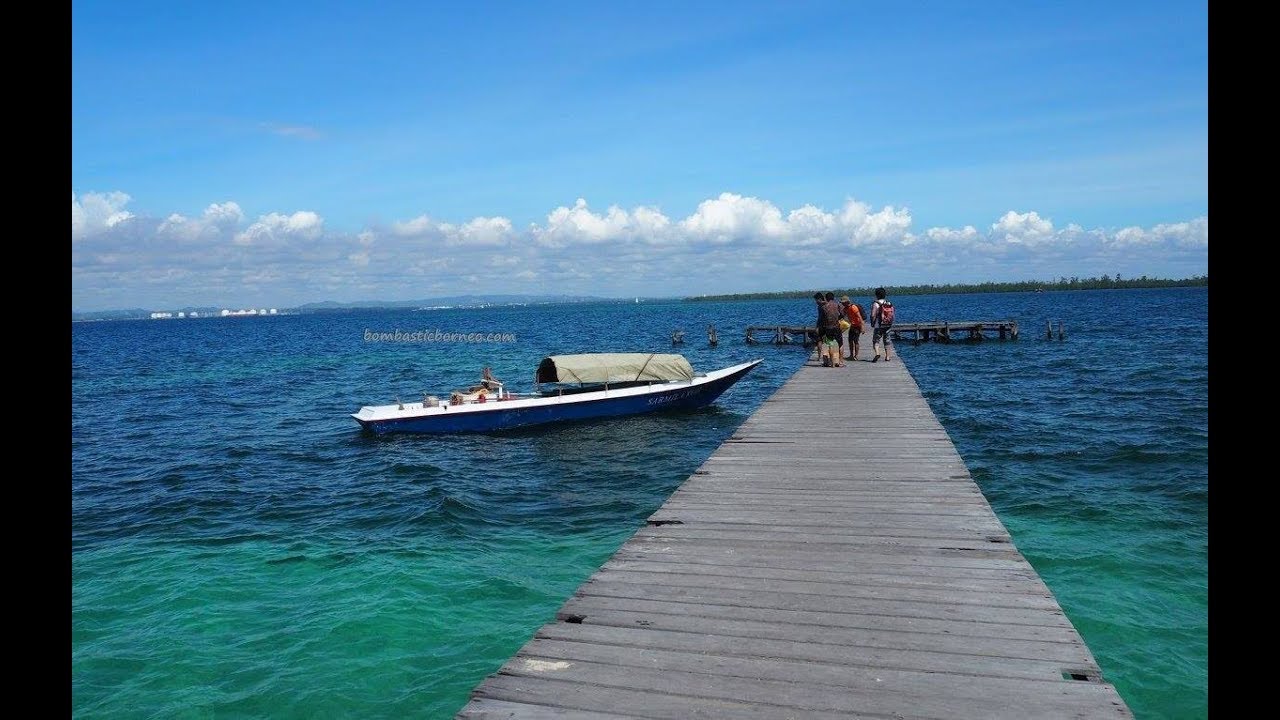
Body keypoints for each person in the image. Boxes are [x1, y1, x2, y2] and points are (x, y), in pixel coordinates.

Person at [816, 291, 844, 367]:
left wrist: (819, 327)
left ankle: (832, 363)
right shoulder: (838, 305)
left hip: (828, 328)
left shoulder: (824, 306)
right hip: (836, 327)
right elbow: (842, 314)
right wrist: (837, 319)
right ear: (833, 298)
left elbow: (821, 318)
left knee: (830, 345)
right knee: (840, 344)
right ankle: (840, 361)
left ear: (826, 298)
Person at [870, 286, 894, 362]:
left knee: (876, 340)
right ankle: (887, 357)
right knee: (887, 340)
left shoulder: (876, 304)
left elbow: (873, 315)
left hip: (878, 325)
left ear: (877, 295)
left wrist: (872, 322)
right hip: (888, 324)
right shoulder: (889, 303)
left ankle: (877, 353)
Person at [840, 295, 864, 361]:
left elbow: (860, 317)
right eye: (841, 302)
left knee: (856, 341)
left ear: (847, 302)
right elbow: (842, 316)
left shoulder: (853, 307)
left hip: (857, 326)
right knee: (850, 341)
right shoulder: (845, 309)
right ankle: (851, 355)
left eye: (843, 302)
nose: (842, 304)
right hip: (852, 326)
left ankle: (856, 356)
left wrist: (862, 327)